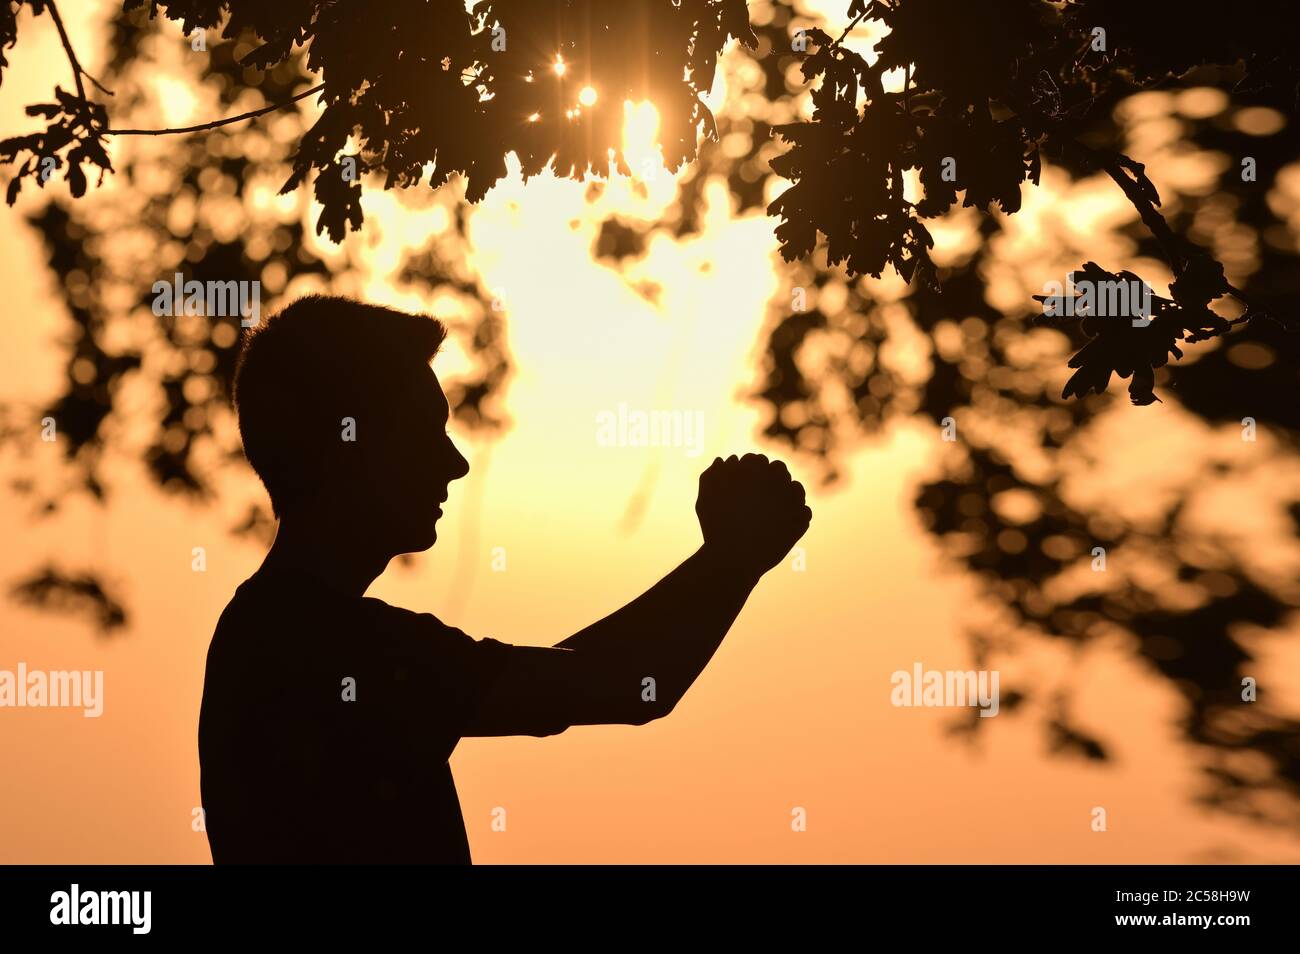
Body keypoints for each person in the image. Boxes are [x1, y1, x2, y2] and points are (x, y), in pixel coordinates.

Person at [198, 295, 812, 863]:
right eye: (423, 432)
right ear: (351, 444)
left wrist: (728, 561)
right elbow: (625, 684)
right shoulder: (324, 643)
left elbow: (595, 676)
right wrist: (732, 560)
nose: (455, 463)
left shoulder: (276, 632)